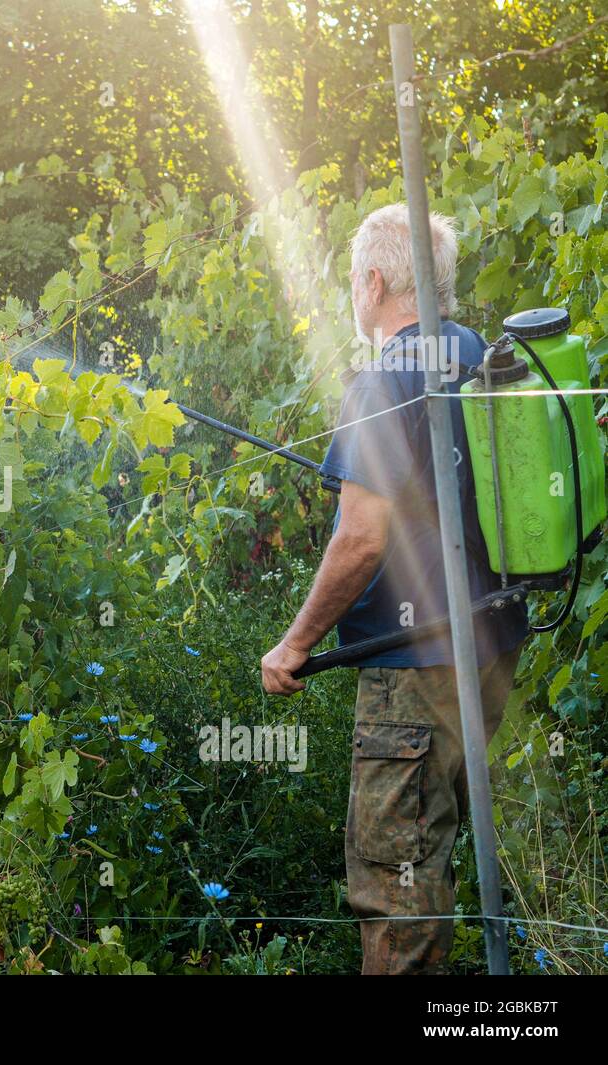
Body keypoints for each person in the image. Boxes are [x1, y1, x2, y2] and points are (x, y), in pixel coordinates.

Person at [259, 203, 527, 974]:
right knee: (431, 853)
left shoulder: (382, 382)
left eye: (354, 282)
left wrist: (295, 643)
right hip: (488, 655)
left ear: (374, 282)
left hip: (412, 673)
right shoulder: (475, 352)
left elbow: (361, 538)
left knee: (394, 888)